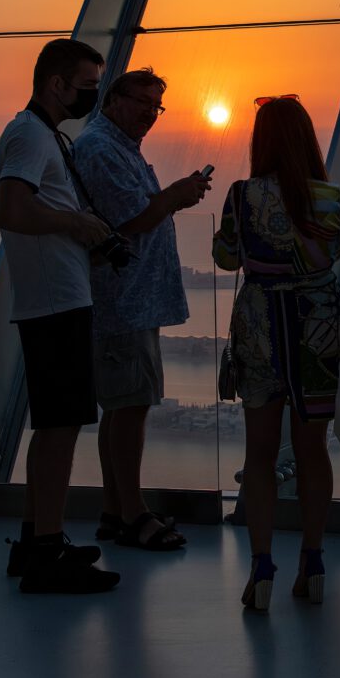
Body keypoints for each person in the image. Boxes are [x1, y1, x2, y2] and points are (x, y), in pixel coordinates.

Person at [212, 95, 340, 611]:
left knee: (260, 456)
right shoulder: (329, 197)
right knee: (313, 451)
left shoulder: (241, 195)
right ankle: (312, 559)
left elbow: (227, 258)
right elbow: (331, 255)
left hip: (259, 326)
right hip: (317, 328)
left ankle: (262, 566)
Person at [0, 38, 119, 594]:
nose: (91, 95)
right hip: (55, 301)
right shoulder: (27, 135)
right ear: (55, 83)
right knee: (61, 429)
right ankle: (46, 549)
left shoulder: (40, 135)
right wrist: (74, 225)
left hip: (55, 297)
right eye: (87, 85)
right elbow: (12, 208)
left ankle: (36, 538)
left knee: (51, 428)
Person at [72, 68, 210, 552]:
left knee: (123, 408)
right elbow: (129, 217)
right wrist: (173, 197)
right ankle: (132, 514)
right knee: (129, 408)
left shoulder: (115, 147)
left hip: (130, 299)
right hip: (122, 300)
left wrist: (170, 198)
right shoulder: (100, 149)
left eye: (157, 107)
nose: (150, 115)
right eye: (143, 104)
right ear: (114, 100)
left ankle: (116, 510)